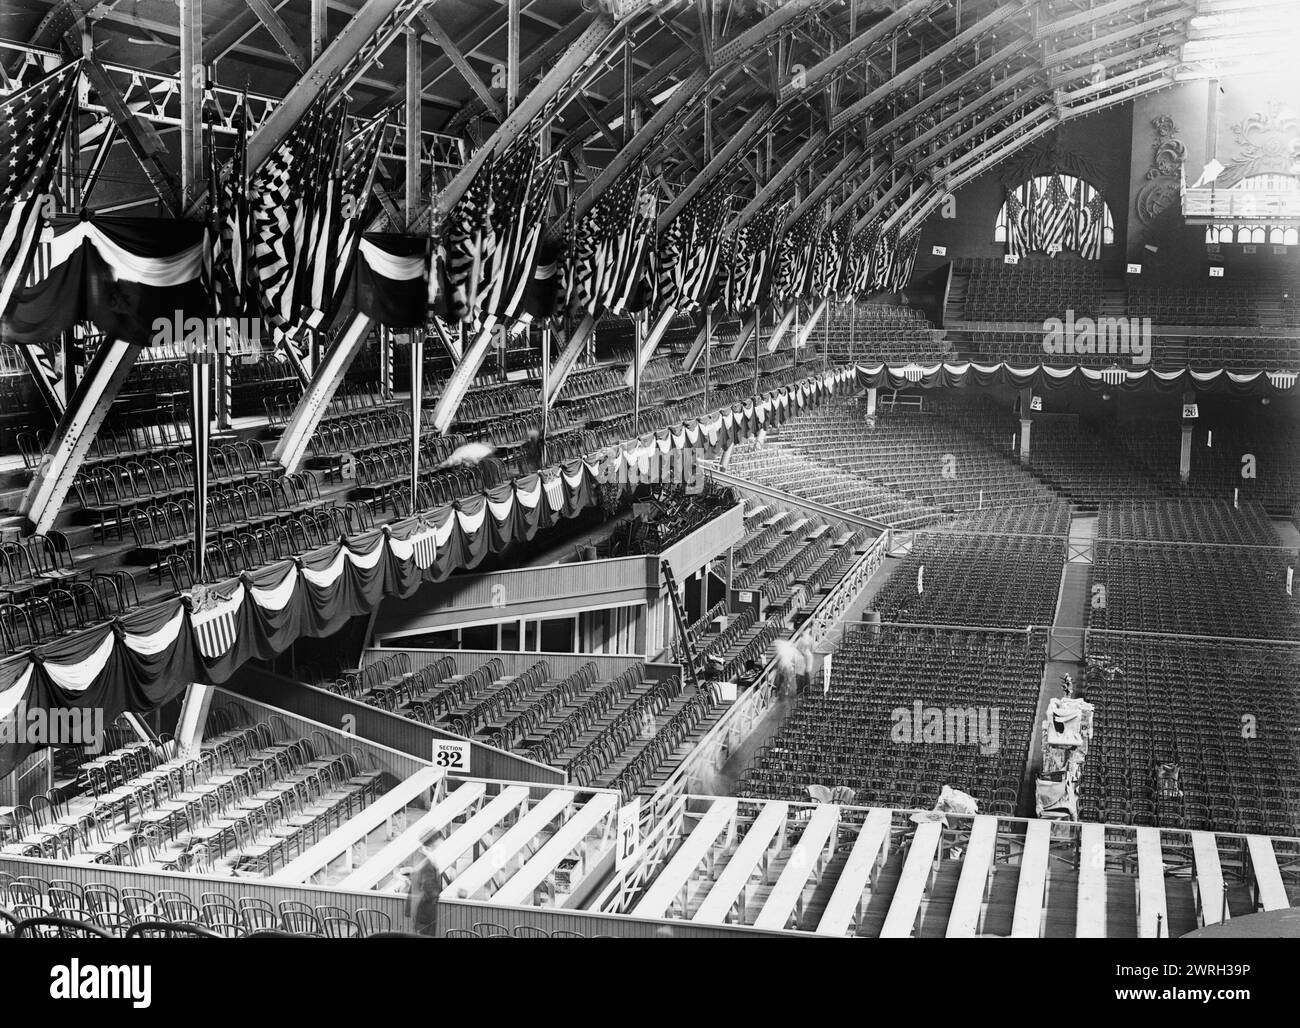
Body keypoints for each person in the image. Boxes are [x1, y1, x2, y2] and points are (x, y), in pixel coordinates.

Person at [408, 845, 446, 937]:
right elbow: (430, 890)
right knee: (427, 934)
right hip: (426, 911)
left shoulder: (419, 866)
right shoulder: (427, 866)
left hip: (418, 910)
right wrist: (436, 895)